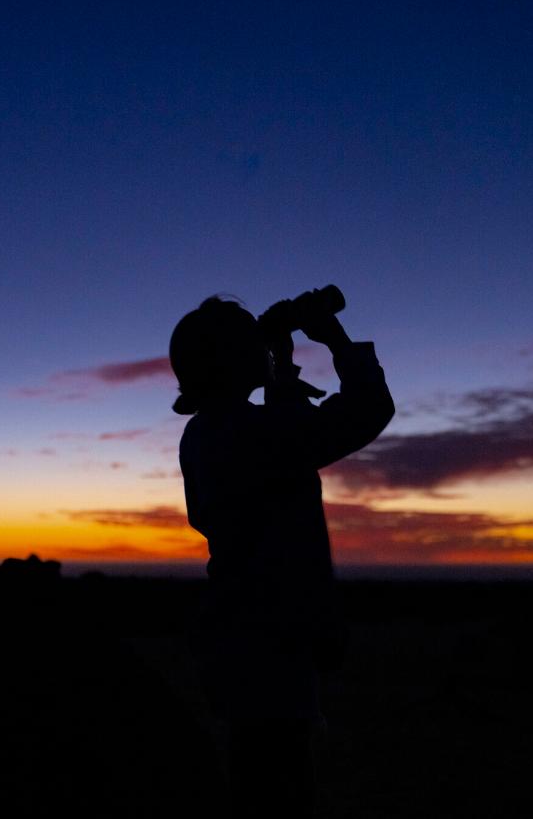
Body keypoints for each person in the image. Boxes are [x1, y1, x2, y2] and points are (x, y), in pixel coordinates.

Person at [171, 293, 394, 818]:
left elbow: (280, 432)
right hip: (268, 648)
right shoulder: (250, 433)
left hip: (244, 641)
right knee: (279, 793)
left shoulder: (207, 431)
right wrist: (333, 337)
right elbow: (367, 409)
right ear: (228, 358)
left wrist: (278, 364)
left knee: (258, 784)